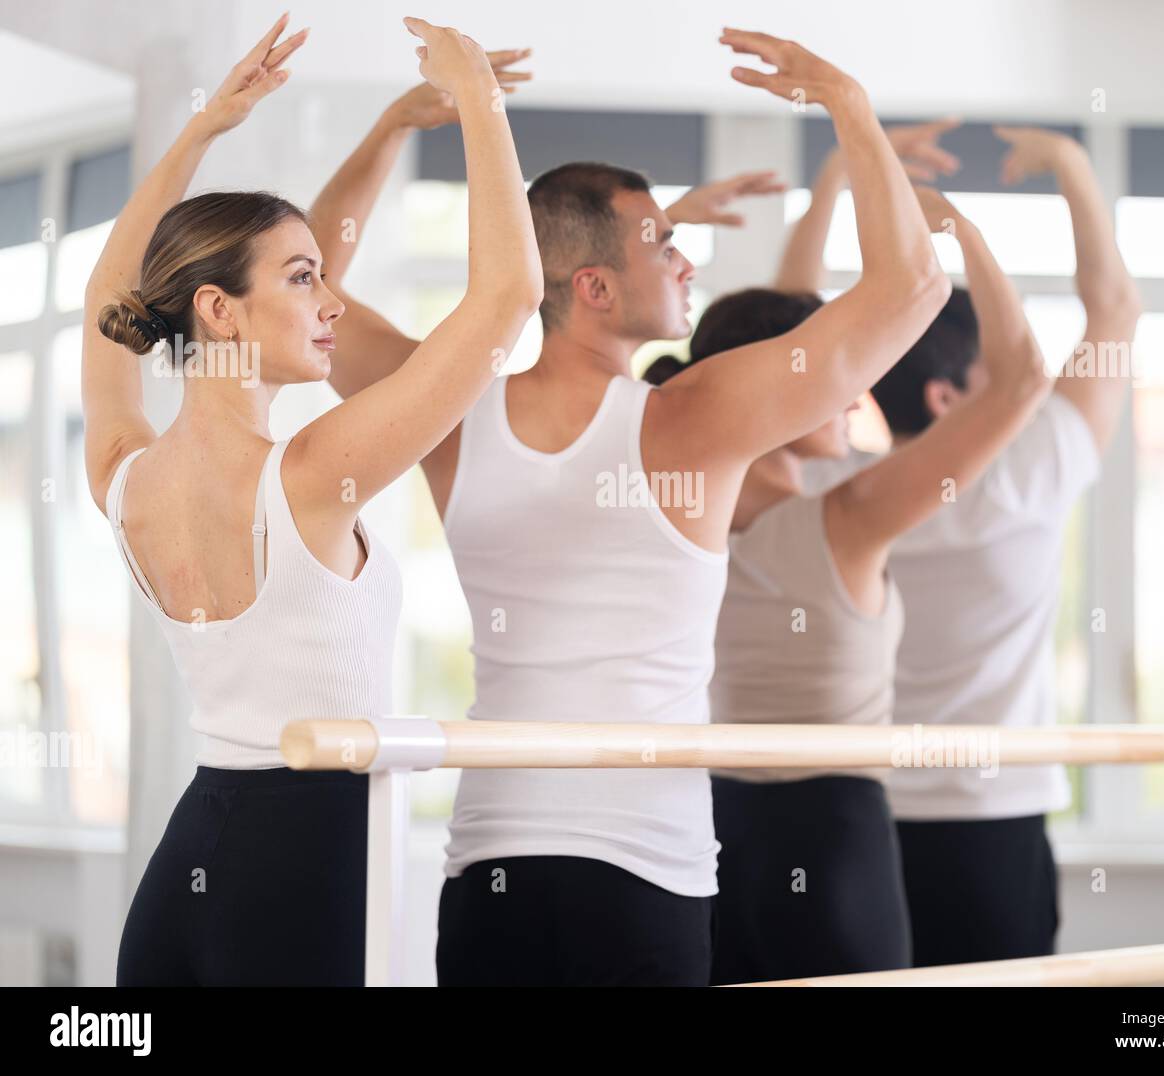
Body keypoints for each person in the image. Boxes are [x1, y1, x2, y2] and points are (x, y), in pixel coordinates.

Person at [309, 28, 949, 986]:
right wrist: (849, 106)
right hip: (644, 878)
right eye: (667, 244)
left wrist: (396, 126)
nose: (688, 263)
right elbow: (912, 289)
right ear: (594, 288)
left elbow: (314, 281)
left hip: (490, 870)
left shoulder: (443, 412)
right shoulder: (695, 416)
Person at [86, 15, 541, 985]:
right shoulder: (309, 472)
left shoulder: (122, 471)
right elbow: (506, 297)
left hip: (191, 864)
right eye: (303, 278)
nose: (332, 302)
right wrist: (475, 96)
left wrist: (206, 127)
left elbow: (103, 301)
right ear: (218, 307)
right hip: (304, 866)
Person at [646, 180, 1050, 984]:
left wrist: (830, 188)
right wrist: (963, 232)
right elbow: (1020, 380)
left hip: (712, 834)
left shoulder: (676, 511)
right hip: (833, 843)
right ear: (787, 387)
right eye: (831, 375)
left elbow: (770, 333)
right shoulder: (850, 514)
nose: (853, 393)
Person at [787, 126, 1143, 967]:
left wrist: (837, 178)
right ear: (949, 396)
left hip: (860, 819)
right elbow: (1116, 310)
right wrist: (1072, 166)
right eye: (997, 377)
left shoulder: (825, 489)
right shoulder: (1034, 465)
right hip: (994, 820)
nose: (1021, 393)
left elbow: (781, 330)